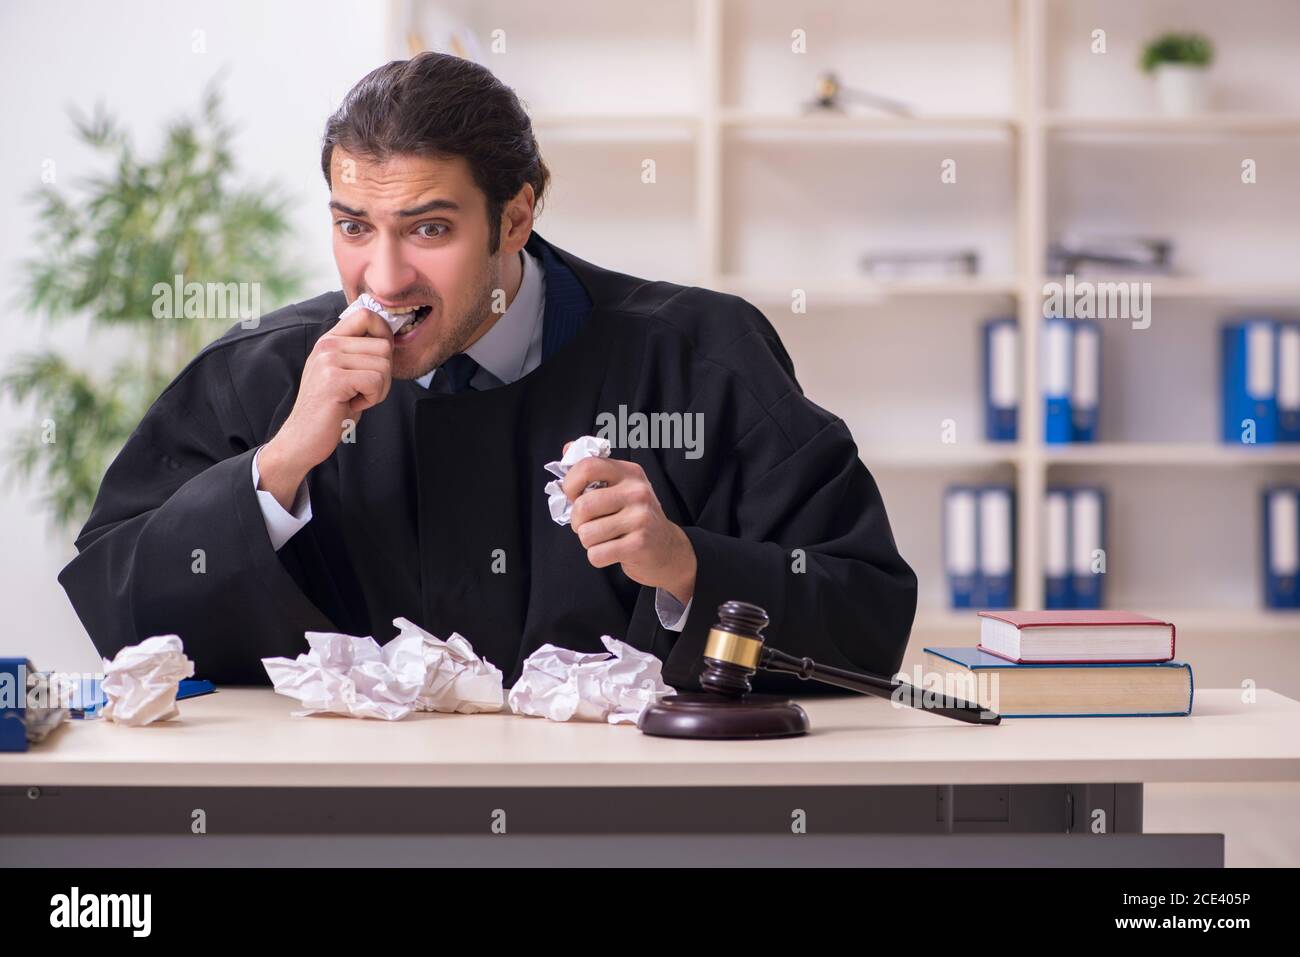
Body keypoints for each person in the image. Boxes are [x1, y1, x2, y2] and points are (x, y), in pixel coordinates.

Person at [59, 52, 917, 693]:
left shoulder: (699, 358)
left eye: (429, 230)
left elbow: (868, 616)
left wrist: (688, 565)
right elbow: (120, 615)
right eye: (355, 227)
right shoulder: (261, 375)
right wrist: (276, 470)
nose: (384, 278)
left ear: (516, 216)